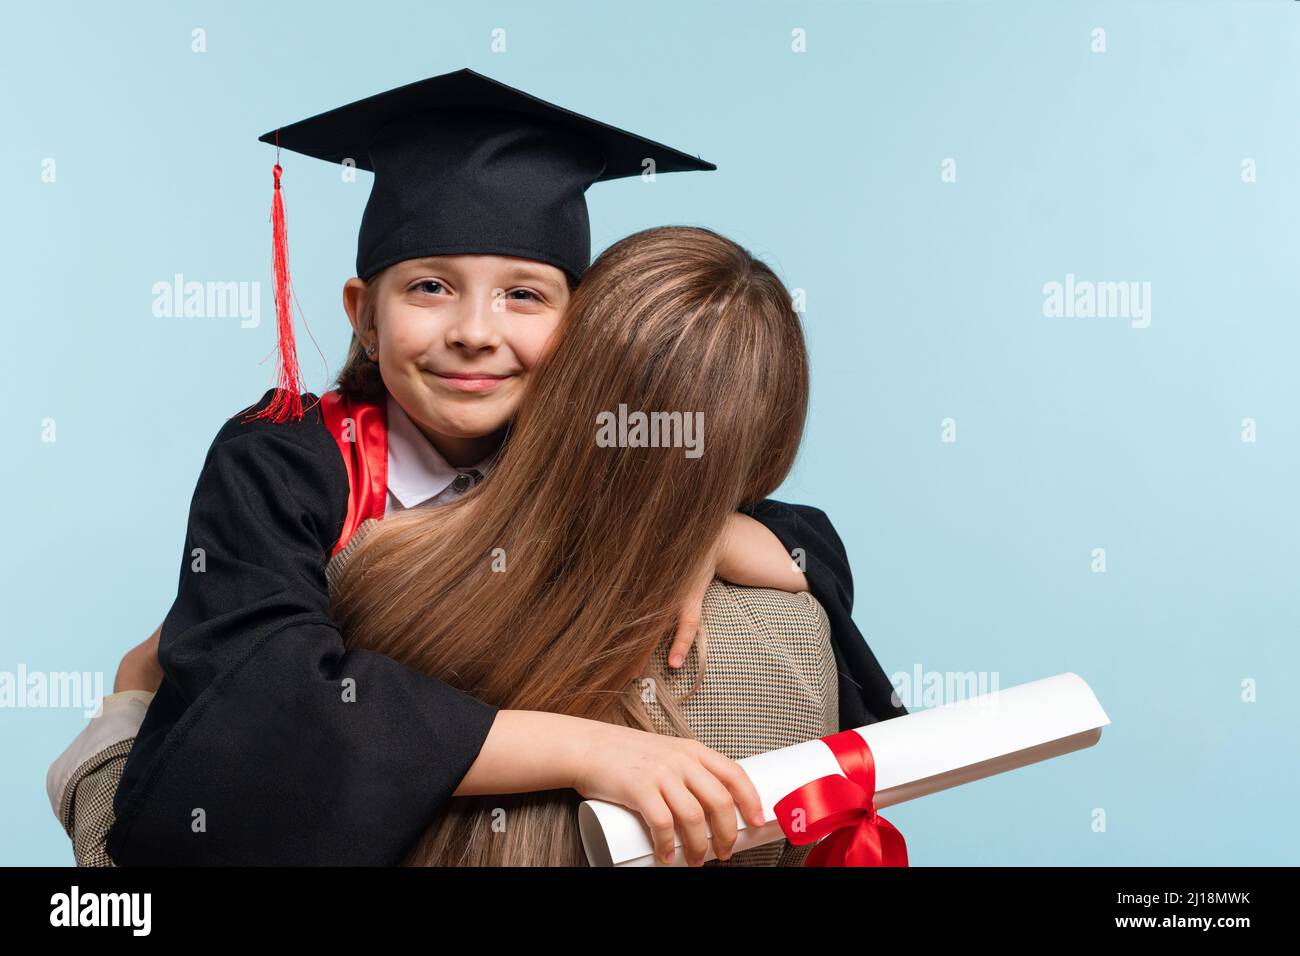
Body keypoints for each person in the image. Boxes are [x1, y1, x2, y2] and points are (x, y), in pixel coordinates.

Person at [72, 68, 905, 867]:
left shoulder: (597, 454)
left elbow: (804, 549)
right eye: (431, 287)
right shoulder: (282, 458)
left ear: (581, 329)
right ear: (364, 315)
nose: (475, 331)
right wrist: (585, 749)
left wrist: (699, 536)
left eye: (524, 295)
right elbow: (272, 706)